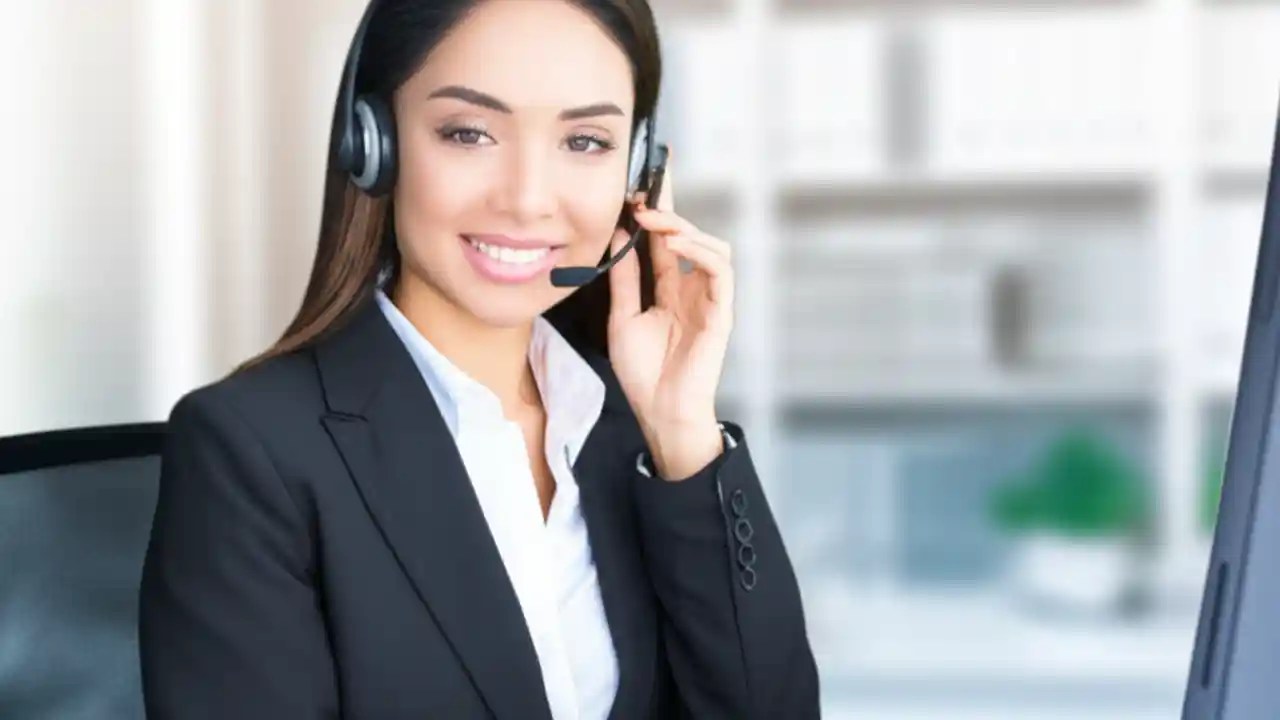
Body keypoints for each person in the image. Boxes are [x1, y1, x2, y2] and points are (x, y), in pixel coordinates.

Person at [137, 0, 820, 718]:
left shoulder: (626, 433)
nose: (527, 200)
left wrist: (682, 435)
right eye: (469, 133)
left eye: (585, 142)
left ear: (638, 171)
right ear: (374, 145)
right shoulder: (253, 451)